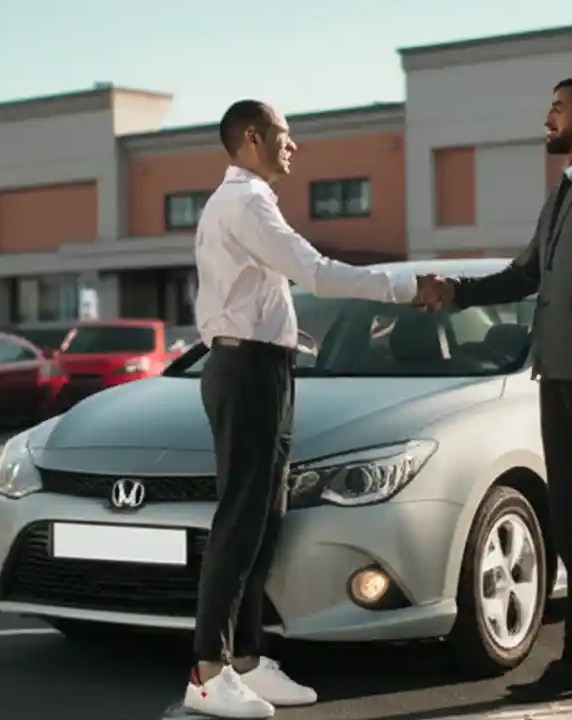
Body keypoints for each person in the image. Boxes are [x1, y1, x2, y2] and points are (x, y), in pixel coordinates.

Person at [417, 76, 572, 715]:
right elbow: (527, 274)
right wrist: (457, 291)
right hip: (556, 377)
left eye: (556, 109)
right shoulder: (564, 192)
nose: (546, 119)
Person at [184, 98, 432, 719]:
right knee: (240, 519)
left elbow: (272, 297)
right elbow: (317, 274)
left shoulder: (246, 203)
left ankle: (245, 659)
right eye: (284, 135)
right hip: (245, 372)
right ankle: (207, 672)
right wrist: (405, 287)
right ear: (251, 137)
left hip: (266, 367)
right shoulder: (245, 202)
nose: (293, 146)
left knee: (266, 518)